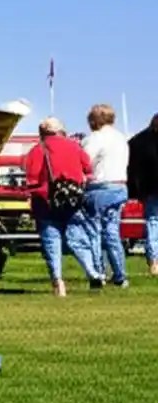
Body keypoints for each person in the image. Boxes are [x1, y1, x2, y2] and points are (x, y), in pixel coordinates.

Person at [22, 117, 104, 296]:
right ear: (60, 131)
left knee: (52, 242)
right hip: (72, 200)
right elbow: (88, 171)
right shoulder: (74, 146)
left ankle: (58, 282)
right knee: (78, 239)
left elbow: (33, 179)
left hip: (46, 202)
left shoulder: (37, 150)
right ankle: (93, 273)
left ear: (42, 133)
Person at [80, 104, 130, 287]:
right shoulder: (121, 138)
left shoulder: (94, 139)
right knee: (112, 232)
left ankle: (98, 273)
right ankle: (120, 274)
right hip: (119, 187)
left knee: (94, 231)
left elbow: (84, 162)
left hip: (99, 187)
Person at [127, 114, 158, 276]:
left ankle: (154, 262)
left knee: (152, 224)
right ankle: (154, 261)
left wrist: (135, 189)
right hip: (150, 189)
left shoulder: (137, 141)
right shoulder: (139, 141)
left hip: (149, 189)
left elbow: (133, 169)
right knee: (153, 223)